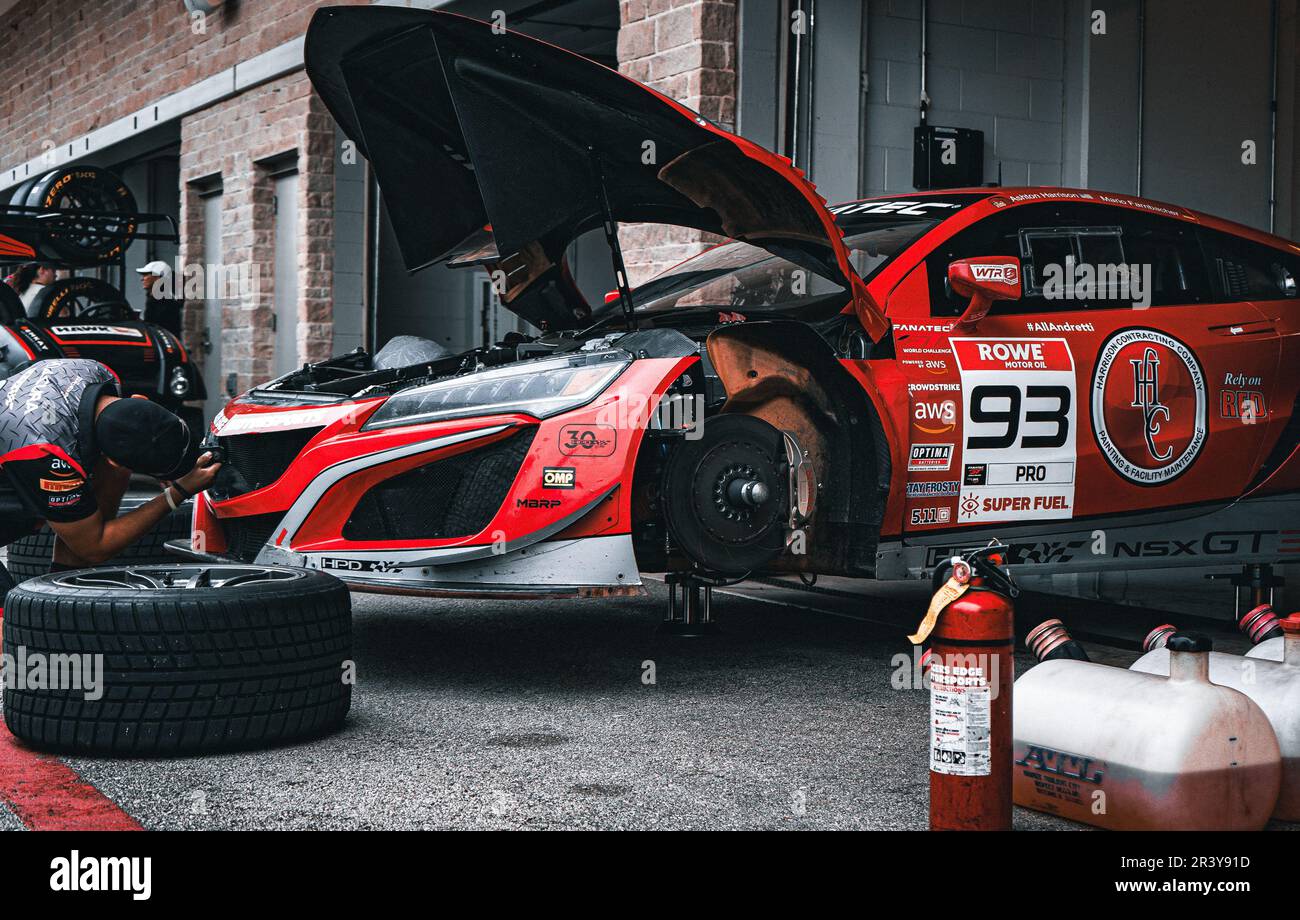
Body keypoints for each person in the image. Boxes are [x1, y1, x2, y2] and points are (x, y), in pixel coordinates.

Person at [0, 359, 220, 580]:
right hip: (22, 445)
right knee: (5, 614)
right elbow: (93, 548)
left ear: (139, 400)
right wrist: (178, 492)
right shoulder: (44, 453)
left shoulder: (96, 371)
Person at [136, 259, 183, 335]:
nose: (142, 278)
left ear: (158, 278)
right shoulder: (155, 301)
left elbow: (156, 329)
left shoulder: (167, 305)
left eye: (146, 275)